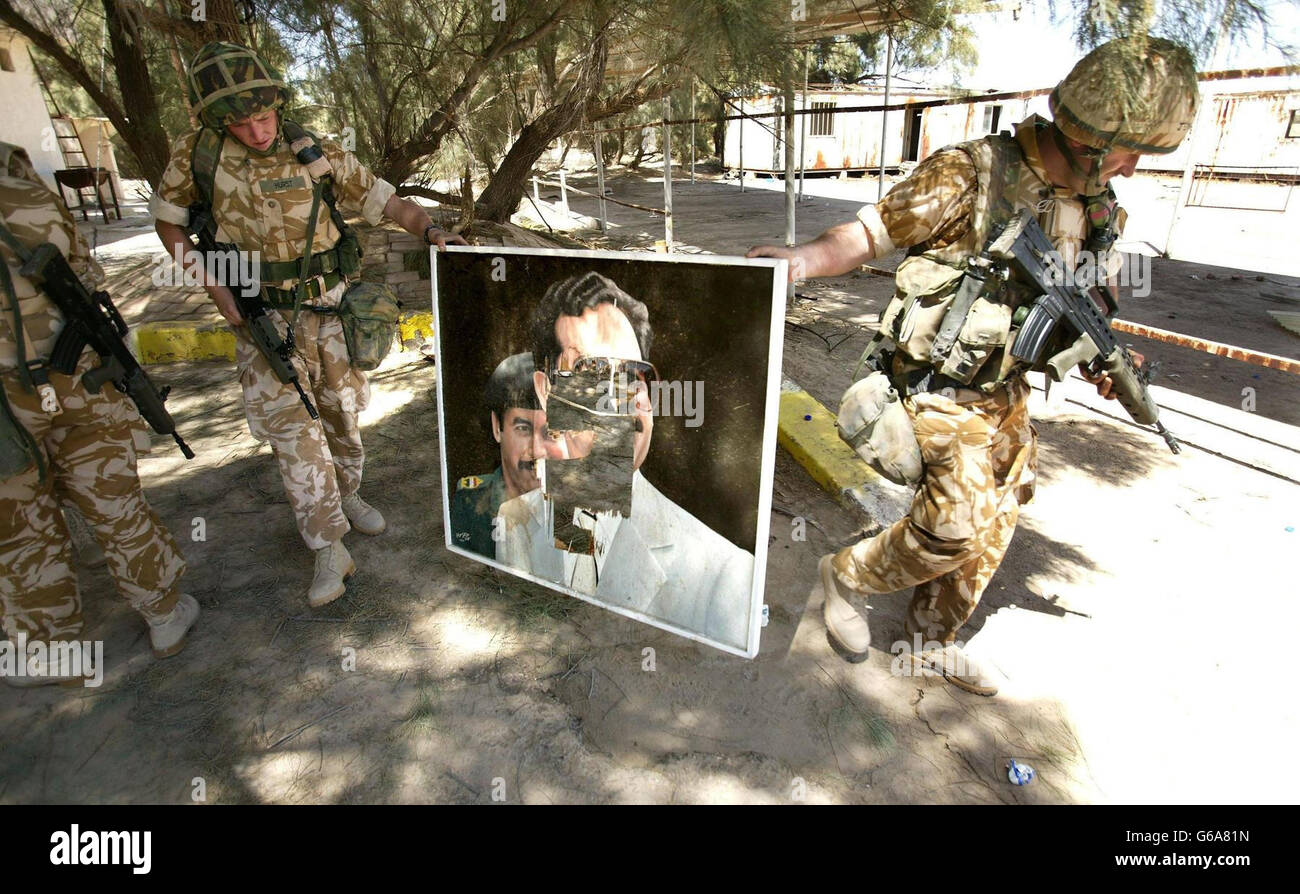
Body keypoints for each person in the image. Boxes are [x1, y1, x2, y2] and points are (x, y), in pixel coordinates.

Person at [748, 36, 1198, 694]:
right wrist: (805, 260)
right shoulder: (972, 173)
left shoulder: (1098, 207)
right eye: (1129, 151)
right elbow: (870, 232)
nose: (1130, 168)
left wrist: (1101, 362)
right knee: (953, 527)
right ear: (1090, 136)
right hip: (935, 388)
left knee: (1003, 513)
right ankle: (845, 573)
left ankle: (930, 641)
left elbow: (1084, 307)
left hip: (1004, 390)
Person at [151, 42, 465, 608]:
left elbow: (387, 201)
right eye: (242, 122)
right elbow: (169, 225)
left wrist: (430, 232)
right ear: (220, 120)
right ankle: (328, 546)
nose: (256, 130)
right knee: (294, 433)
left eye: (264, 116)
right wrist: (213, 284)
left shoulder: (314, 151)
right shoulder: (197, 157)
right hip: (262, 318)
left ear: (278, 103)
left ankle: (348, 495)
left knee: (343, 416)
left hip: (330, 313)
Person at [0, 142, 197, 685]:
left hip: (24, 394)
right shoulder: (24, 182)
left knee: (18, 523)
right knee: (113, 500)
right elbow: (84, 270)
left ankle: (47, 648)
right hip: (77, 375)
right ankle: (163, 613)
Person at [494, 271, 755, 651]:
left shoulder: (727, 578)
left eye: (634, 376)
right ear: (545, 389)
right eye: (593, 371)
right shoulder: (514, 521)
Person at [449, 352, 543, 558]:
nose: (537, 449)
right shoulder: (471, 503)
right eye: (523, 428)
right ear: (496, 427)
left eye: (550, 431)